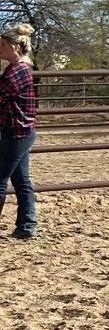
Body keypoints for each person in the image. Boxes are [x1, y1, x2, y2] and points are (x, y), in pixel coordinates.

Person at [0, 23, 38, 242]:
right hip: (19, 131)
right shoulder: (17, 69)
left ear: (16, 47)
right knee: (21, 181)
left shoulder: (18, 71)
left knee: (0, 178)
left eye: (3, 45)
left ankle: (27, 225)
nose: (0, 49)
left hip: (16, 132)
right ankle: (26, 226)